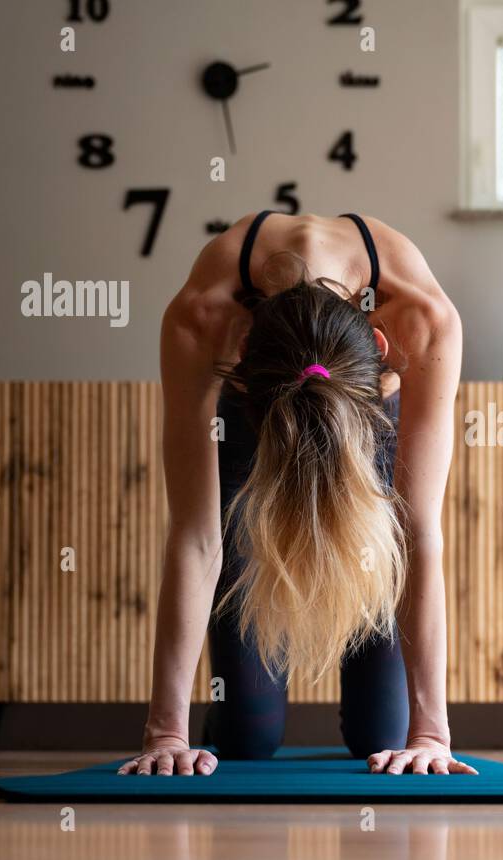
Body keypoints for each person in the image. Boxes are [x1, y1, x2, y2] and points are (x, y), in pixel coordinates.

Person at [118, 211, 474, 777]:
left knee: (380, 738)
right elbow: (196, 534)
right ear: (238, 347)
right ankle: (234, 717)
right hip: (255, 419)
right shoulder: (202, 316)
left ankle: (394, 716)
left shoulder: (424, 319)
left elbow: (418, 530)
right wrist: (166, 732)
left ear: (384, 346)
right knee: (247, 737)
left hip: (364, 419)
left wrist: (431, 735)